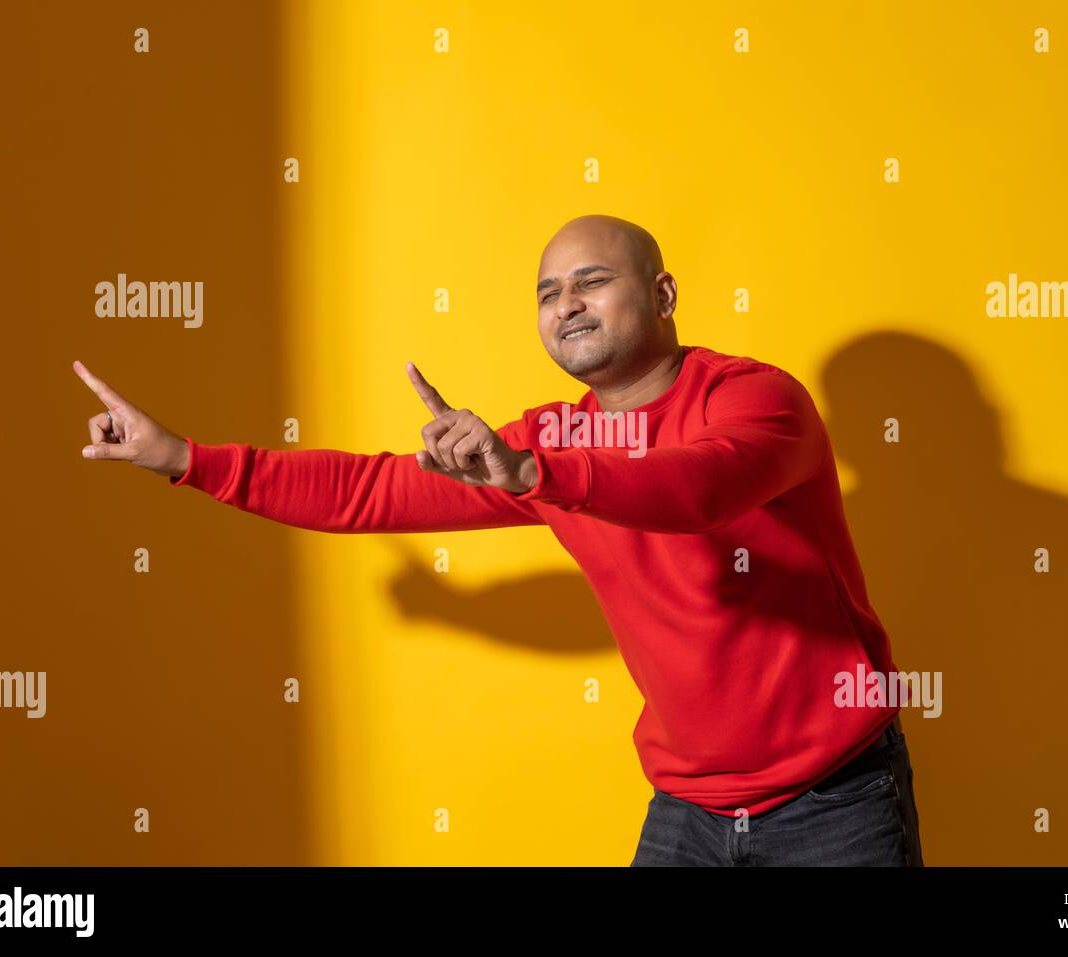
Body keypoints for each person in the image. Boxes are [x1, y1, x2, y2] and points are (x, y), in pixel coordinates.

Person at [73, 213, 925, 866]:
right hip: (689, 808)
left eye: (592, 282)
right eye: (550, 293)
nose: (568, 305)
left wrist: (532, 476)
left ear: (663, 297)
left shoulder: (756, 400)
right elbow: (371, 490)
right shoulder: (544, 444)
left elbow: (697, 489)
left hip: (835, 800)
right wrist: (183, 457)